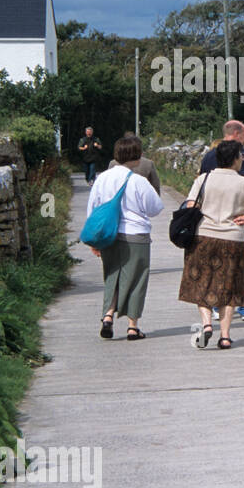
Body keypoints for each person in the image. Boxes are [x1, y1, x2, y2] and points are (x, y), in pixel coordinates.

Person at [179, 140, 244, 349]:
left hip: (203, 236)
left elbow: (190, 205)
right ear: (235, 159)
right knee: (229, 287)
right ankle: (225, 336)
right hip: (233, 238)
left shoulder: (204, 179)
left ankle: (206, 324)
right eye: (242, 157)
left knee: (201, 283)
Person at [87, 136, 165, 340]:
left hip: (108, 235)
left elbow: (92, 207)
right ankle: (132, 326)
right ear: (137, 156)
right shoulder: (138, 181)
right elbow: (155, 208)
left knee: (112, 276)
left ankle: (107, 316)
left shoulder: (102, 178)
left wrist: (94, 240)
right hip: (135, 234)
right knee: (137, 279)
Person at [200, 121, 244, 322]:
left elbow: (201, 186)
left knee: (216, 263)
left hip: (213, 218)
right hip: (241, 218)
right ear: (236, 133)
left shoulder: (208, 157)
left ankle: (216, 306)